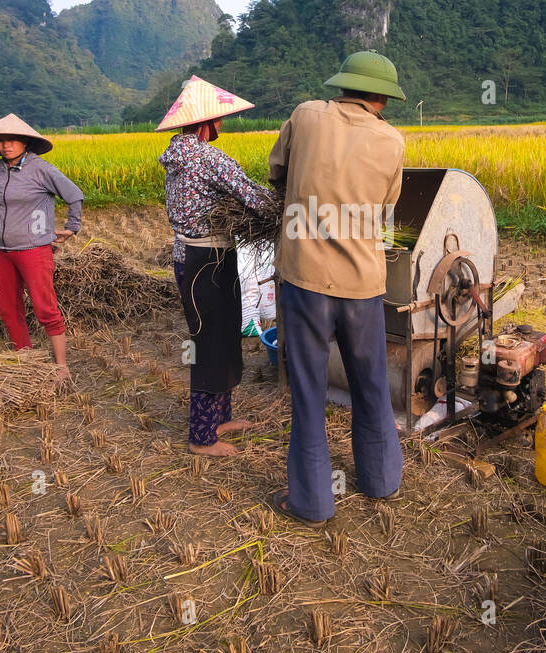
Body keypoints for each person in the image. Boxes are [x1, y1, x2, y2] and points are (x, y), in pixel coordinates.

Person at [265, 50, 406, 526]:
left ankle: (311, 503)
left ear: (342, 85)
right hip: (363, 284)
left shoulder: (305, 115)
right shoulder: (392, 141)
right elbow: (386, 210)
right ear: (382, 98)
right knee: (371, 383)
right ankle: (381, 480)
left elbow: (276, 172)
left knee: (309, 391)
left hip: (306, 280)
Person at [157, 76, 277, 457]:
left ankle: (220, 417)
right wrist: (291, 206)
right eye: (219, 120)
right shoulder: (207, 158)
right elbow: (253, 197)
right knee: (208, 343)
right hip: (203, 262)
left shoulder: (178, 152)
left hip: (201, 258)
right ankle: (201, 437)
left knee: (223, 335)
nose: (222, 126)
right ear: (206, 122)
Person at [0, 113, 83, 387]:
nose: (6, 145)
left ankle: (62, 367)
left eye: (12, 140)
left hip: (33, 250)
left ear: (25, 142)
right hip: (3, 251)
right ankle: (26, 360)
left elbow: (74, 194)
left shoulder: (41, 169)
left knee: (46, 309)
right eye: (1, 140)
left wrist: (72, 226)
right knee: (9, 308)